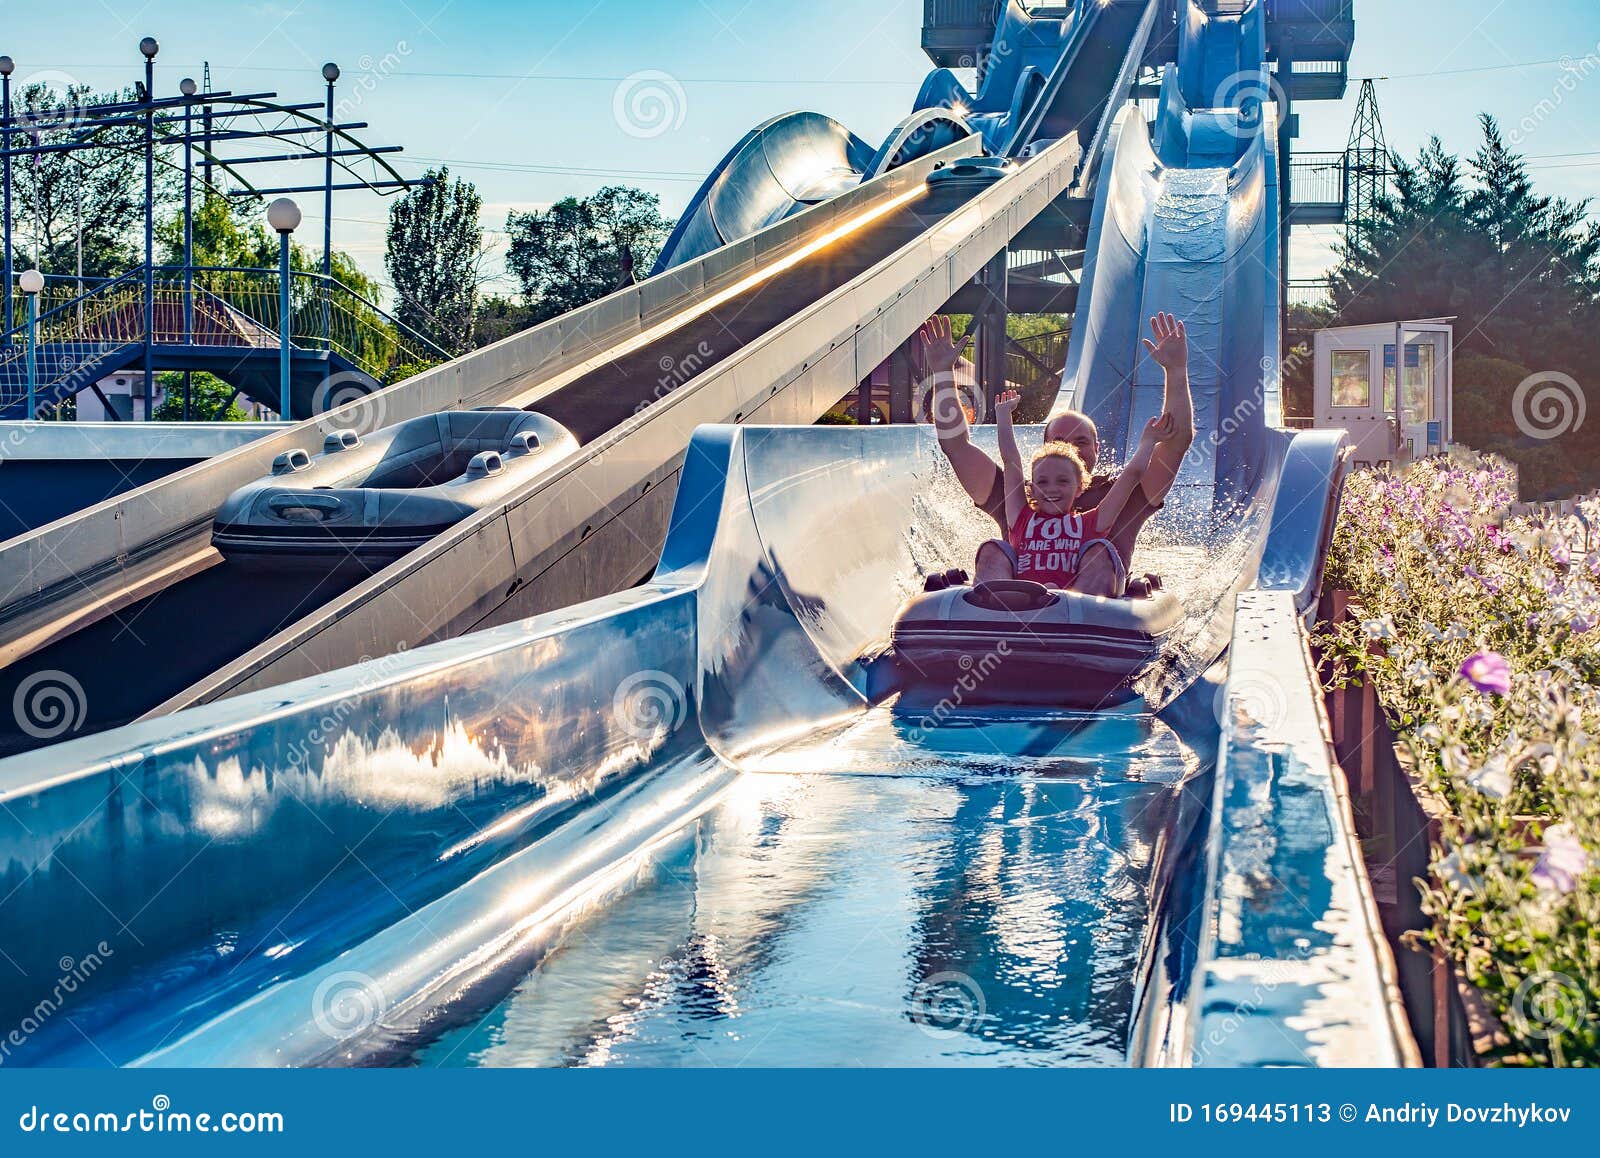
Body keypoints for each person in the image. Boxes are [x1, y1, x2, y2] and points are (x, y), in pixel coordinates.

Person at [916, 312, 1195, 595]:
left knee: (1098, 551)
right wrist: (942, 374)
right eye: (1060, 440)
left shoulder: (1123, 496)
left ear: (1097, 449)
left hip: (1098, 607)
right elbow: (957, 447)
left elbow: (1177, 440)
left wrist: (1176, 371)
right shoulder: (1021, 497)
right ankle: (993, 612)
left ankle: (1078, 616)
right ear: (1046, 448)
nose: (1071, 448)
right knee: (993, 550)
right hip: (1019, 603)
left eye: (1082, 441)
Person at [992, 389, 1177, 591]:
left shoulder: (1089, 524)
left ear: (1080, 488)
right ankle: (989, 607)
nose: (1051, 489)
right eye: (1043, 482)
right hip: (1025, 603)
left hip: (1079, 605)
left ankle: (1076, 603)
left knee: (1100, 550)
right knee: (992, 549)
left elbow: (1132, 475)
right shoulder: (1020, 519)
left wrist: (1148, 442)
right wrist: (1003, 415)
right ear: (1032, 490)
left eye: (1062, 481)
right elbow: (1011, 461)